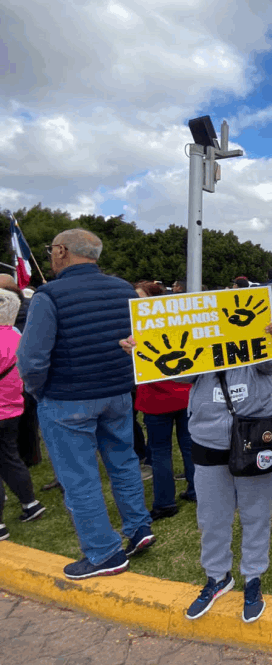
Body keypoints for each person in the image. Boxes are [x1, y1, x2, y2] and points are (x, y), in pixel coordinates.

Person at [122, 320, 272, 624]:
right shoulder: (198, 348)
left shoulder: (258, 343)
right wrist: (141, 350)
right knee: (212, 518)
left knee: (256, 514)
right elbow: (177, 374)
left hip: (252, 441)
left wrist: (271, 337)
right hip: (207, 442)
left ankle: (253, 578)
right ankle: (217, 577)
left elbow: (270, 365)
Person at [17, 229, 154, 579]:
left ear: (61, 251)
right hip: (118, 393)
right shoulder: (124, 289)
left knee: (80, 478)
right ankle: (139, 528)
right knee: (124, 463)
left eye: (52, 250)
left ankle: (104, 553)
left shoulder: (49, 295)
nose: (50, 254)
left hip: (68, 398)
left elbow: (32, 360)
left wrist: (38, 391)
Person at [132, 282, 195, 520]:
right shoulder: (180, 325)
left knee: (166, 450)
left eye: (140, 297)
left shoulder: (140, 328)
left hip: (166, 397)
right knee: (171, 449)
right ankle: (179, 495)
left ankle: (170, 501)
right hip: (173, 396)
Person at [0, 289, 45, 541]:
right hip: (14, 405)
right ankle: (30, 503)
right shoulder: (19, 335)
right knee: (10, 458)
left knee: (7, 458)